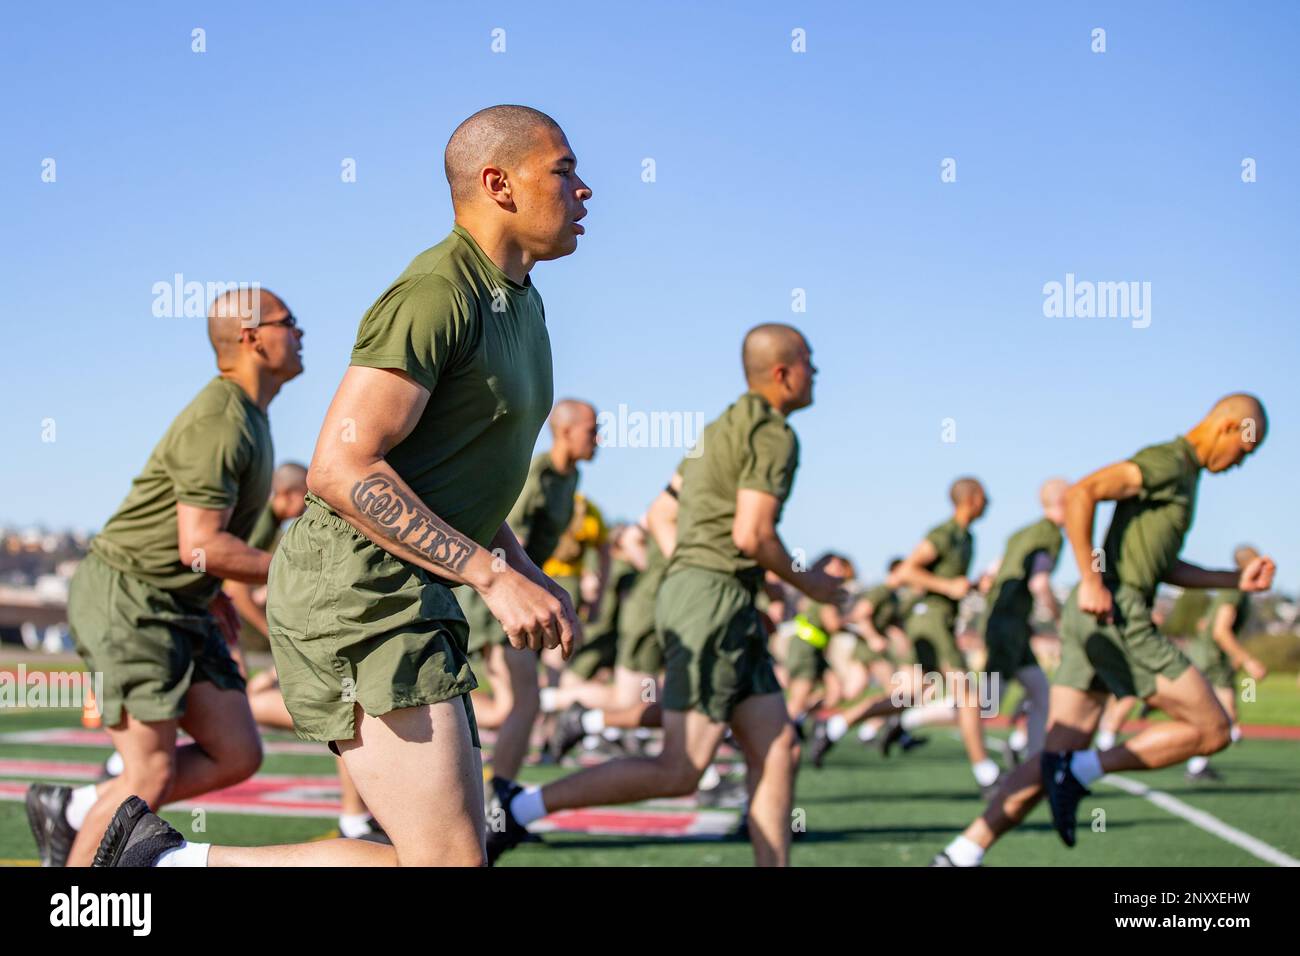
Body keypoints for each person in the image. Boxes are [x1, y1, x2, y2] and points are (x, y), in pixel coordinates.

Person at [91, 104, 592, 867]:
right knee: (454, 859)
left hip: (410, 589)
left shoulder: (523, 301)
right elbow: (342, 467)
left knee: (443, 858)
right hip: (358, 590)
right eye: (563, 169)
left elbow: (457, 474)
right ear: (499, 184)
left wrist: (524, 571)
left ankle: (169, 864)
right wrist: (490, 575)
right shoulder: (434, 293)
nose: (584, 189)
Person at [488, 323, 844, 867]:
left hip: (712, 598)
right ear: (783, 372)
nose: (816, 373)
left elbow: (661, 515)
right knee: (681, 769)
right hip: (714, 603)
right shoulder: (774, 434)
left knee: (779, 747)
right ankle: (521, 808)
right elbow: (753, 535)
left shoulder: (722, 427)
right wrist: (808, 582)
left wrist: (702, 576)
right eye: (810, 362)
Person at [933, 394, 1274, 866]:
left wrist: (1233, 580)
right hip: (1117, 613)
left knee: (1051, 757)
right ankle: (1082, 769)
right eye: (1245, 451)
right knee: (1213, 729)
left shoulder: (1185, 475)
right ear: (1230, 428)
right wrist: (1091, 578)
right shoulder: (1168, 461)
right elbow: (1082, 492)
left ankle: (960, 853)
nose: (1239, 464)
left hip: (1093, 617)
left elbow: (1162, 565)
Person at [26, 287, 304, 867]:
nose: (301, 333)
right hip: (129, 597)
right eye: (290, 323)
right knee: (148, 771)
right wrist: (303, 571)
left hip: (181, 605)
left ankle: (77, 811)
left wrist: (219, 595)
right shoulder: (221, 420)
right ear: (252, 338)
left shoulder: (252, 417)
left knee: (237, 751)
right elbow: (200, 544)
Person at [1183, 545, 1269, 781]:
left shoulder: (1229, 589)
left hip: (1210, 655)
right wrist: (1249, 660)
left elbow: (1205, 624)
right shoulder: (1235, 589)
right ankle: (1196, 764)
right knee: (1225, 714)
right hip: (1211, 658)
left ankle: (1197, 762)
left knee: (1218, 712)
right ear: (1251, 562)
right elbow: (1221, 631)